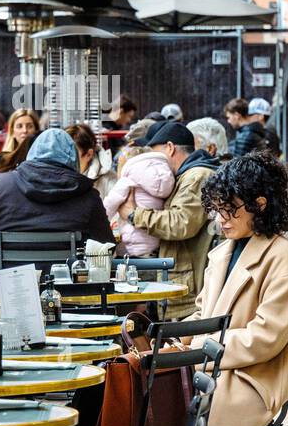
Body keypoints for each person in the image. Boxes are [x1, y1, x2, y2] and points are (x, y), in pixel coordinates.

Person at [191, 152, 288, 426]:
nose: (221, 219)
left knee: (161, 415)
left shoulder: (284, 259)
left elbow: (264, 338)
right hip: (212, 365)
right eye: (218, 210)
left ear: (259, 204)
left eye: (230, 210)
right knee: (140, 389)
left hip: (251, 379)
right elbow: (201, 312)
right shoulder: (222, 253)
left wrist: (193, 349)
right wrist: (172, 338)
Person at [116, 120, 217, 318]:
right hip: (183, 278)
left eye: (154, 155)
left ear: (170, 148)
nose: (151, 163)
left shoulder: (196, 176)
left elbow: (181, 223)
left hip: (189, 286)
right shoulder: (186, 176)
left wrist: (133, 214)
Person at [0, 127, 114, 245]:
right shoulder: (88, 195)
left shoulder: (1, 185)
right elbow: (106, 245)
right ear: (74, 158)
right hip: (68, 274)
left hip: (7, 273)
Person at [104, 147, 175, 256]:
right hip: (155, 239)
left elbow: (110, 203)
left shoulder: (128, 180)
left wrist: (102, 218)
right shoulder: (168, 181)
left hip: (132, 241)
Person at [0, 107, 41, 184]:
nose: (25, 130)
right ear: (12, 131)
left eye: (29, 126)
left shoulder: (42, 161)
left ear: (36, 130)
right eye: (19, 126)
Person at [66, 122, 116, 201]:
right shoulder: (53, 176)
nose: (64, 159)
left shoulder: (109, 181)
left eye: (71, 154)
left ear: (89, 154)